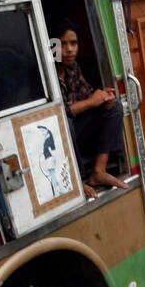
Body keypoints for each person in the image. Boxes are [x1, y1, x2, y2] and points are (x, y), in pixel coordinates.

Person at [54, 22, 124, 194]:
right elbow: (60, 113)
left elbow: (88, 96)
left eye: (73, 43)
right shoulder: (45, 73)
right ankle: (77, 179)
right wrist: (91, 102)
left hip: (81, 136)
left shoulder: (72, 68)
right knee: (65, 123)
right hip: (60, 145)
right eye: (63, 44)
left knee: (114, 107)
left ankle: (98, 171)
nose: (69, 49)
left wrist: (103, 99)